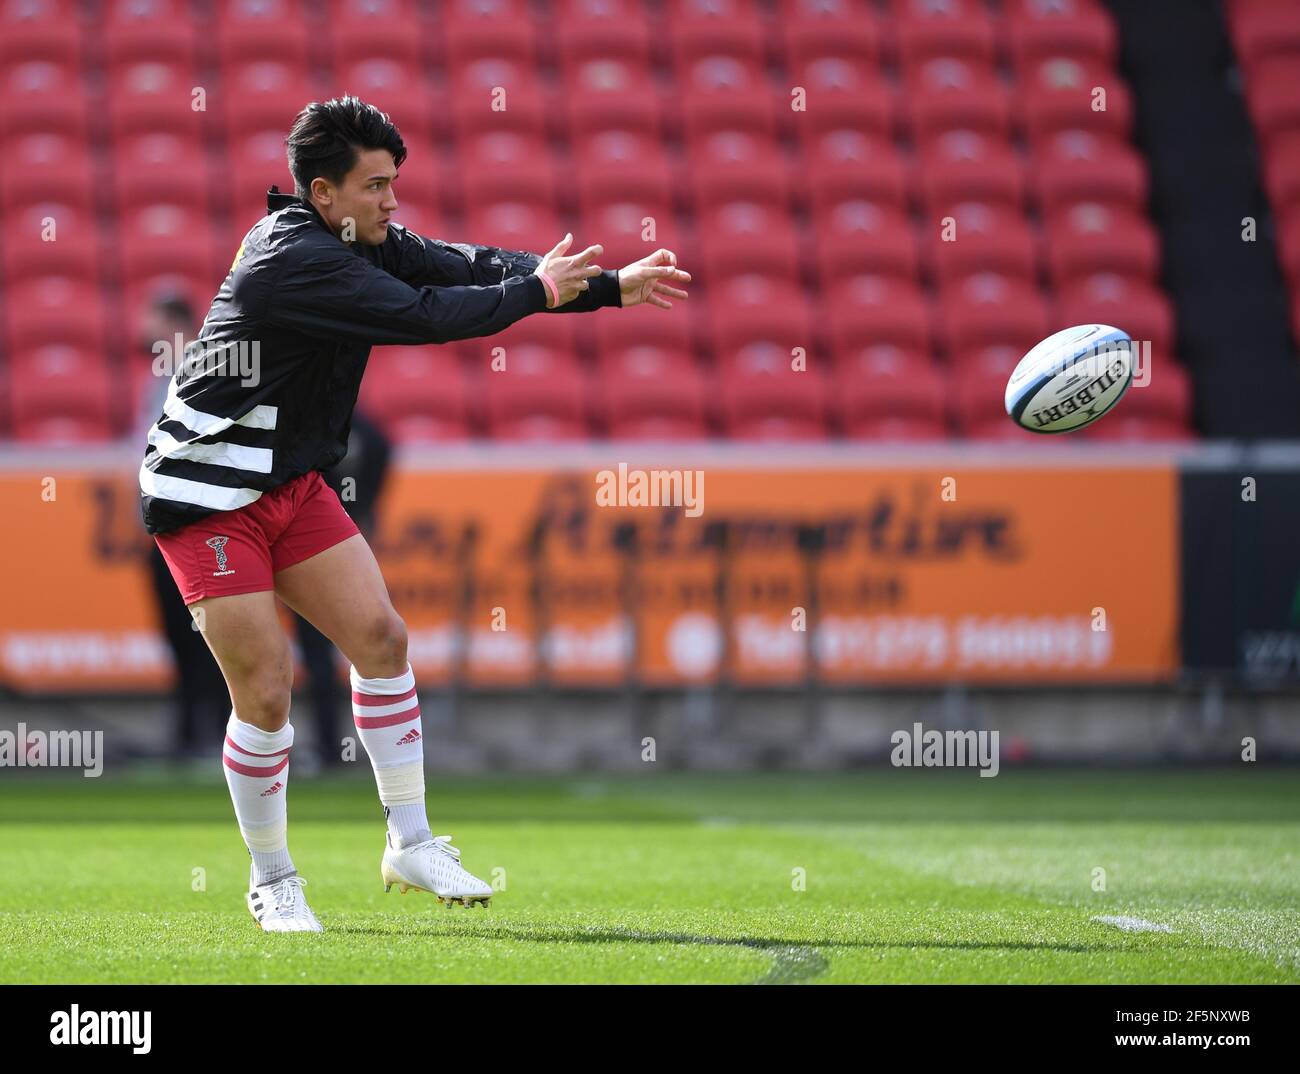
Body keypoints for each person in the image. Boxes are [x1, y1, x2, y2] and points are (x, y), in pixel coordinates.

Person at [139, 96, 691, 932]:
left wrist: (603, 289)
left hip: (286, 483)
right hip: (209, 490)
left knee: (382, 640)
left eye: (394, 184)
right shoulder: (296, 260)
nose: (392, 203)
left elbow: (457, 266)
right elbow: (424, 316)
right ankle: (274, 879)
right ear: (323, 194)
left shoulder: (350, 239)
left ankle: (410, 840)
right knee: (267, 692)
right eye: (376, 186)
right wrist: (535, 293)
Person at [133, 292, 231, 764]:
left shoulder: (203, 370)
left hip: (195, 522)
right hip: (164, 526)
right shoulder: (157, 380)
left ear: (174, 322)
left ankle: (215, 734)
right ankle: (189, 734)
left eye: (153, 318)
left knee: (205, 634)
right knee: (178, 633)